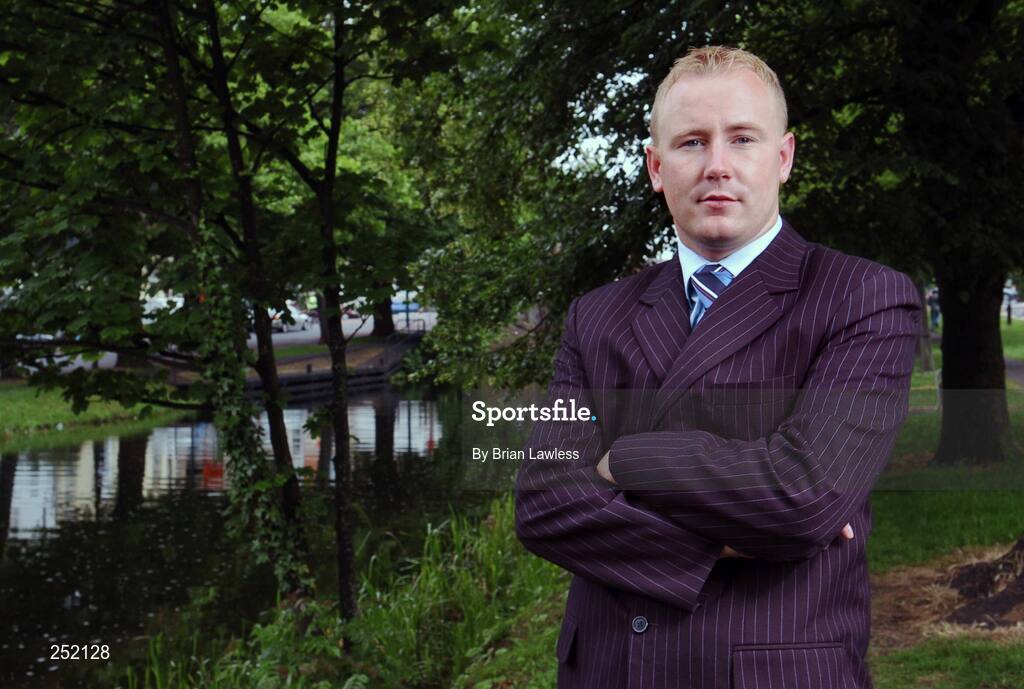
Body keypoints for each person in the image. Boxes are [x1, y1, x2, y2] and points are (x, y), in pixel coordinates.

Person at [514, 46, 920, 689]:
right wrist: (719, 543)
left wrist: (624, 462)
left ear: (782, 157)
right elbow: (542, 504)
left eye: (742, 139)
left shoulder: (861, 298)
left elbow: (802, 498)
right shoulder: (595, 316)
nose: (718, 166)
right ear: (655, 167)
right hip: (610, 671)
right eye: (691, 143)